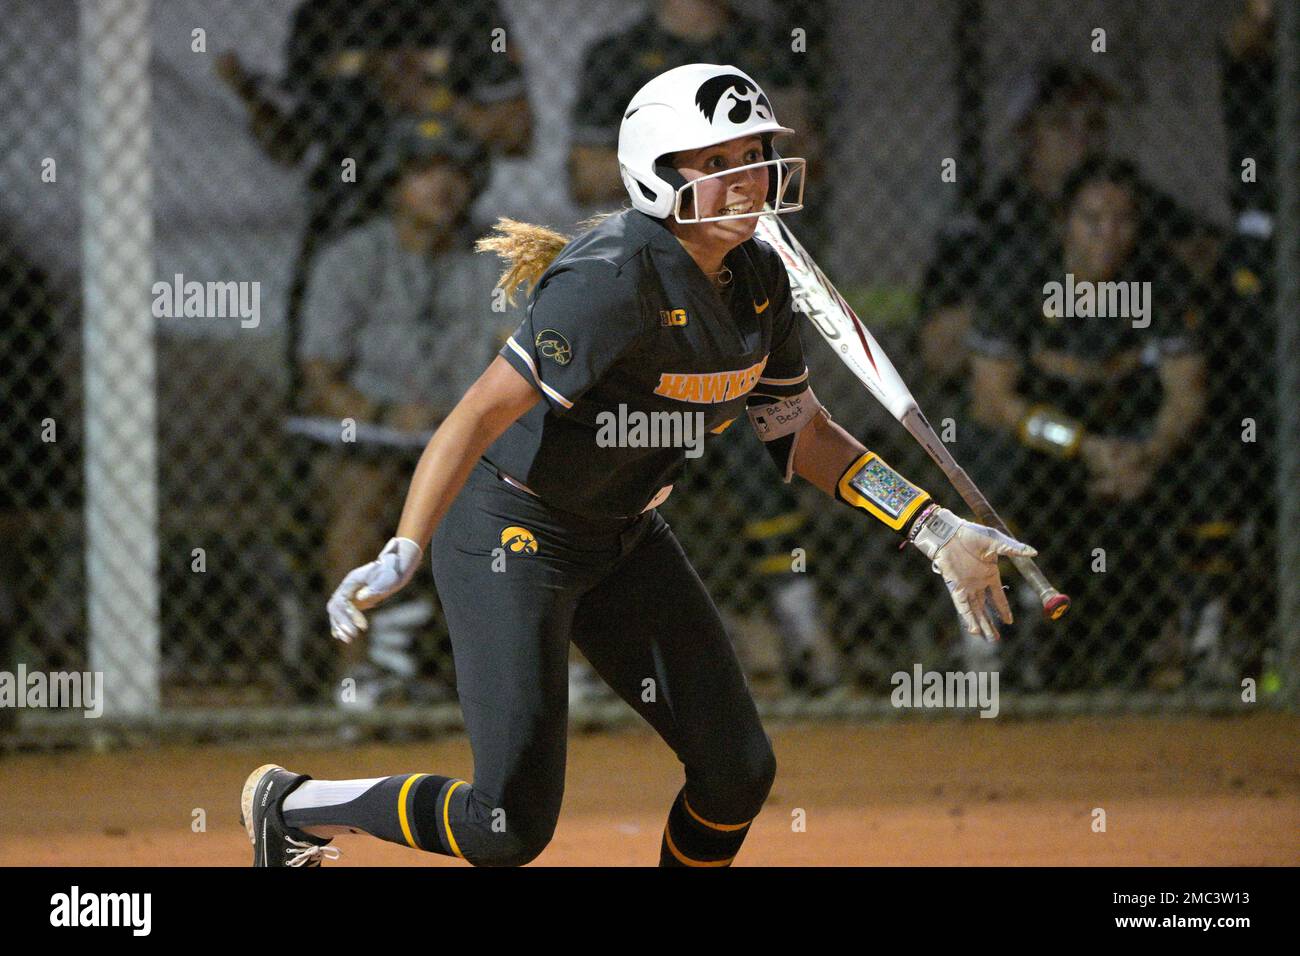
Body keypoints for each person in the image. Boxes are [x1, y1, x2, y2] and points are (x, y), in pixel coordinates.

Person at [241, 64, 1034, 867]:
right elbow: (477, 412)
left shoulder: (762, 277)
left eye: (756, 154)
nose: (749, 178)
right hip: (514, 531)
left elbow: (800, 434)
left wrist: (930, 526)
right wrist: (407, 542)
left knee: (736, 773)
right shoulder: (612, 278)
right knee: (506, 827)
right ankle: (295, 805)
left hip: (624, 537)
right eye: (718, 163)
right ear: (658, 175)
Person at [968, 157, 1206, 689]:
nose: (1107, 235)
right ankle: (989, 636)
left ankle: (1189, 637)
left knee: (1212, 457)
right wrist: (1081, 446)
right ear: (1063, 223)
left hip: (1131, 448)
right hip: (1048, 448)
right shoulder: (1021, 275)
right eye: (1091, 219)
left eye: (1122, 220)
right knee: (984, 454)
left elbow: (1186, 394)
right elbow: (991, 400)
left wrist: (1148, 453)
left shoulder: (1159, 279)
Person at [297, 116, 507, 706]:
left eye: (455, 172)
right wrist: (386, 415)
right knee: (362, 495)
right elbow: (318, 376)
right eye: (421, 171)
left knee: (543, 498)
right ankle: (358, 673)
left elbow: (517, 352)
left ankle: (546, 674)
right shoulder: (351, 258)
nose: (442, 186)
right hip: (371, 436)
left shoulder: (492, 256)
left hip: (470, 437)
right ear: (391, 184)